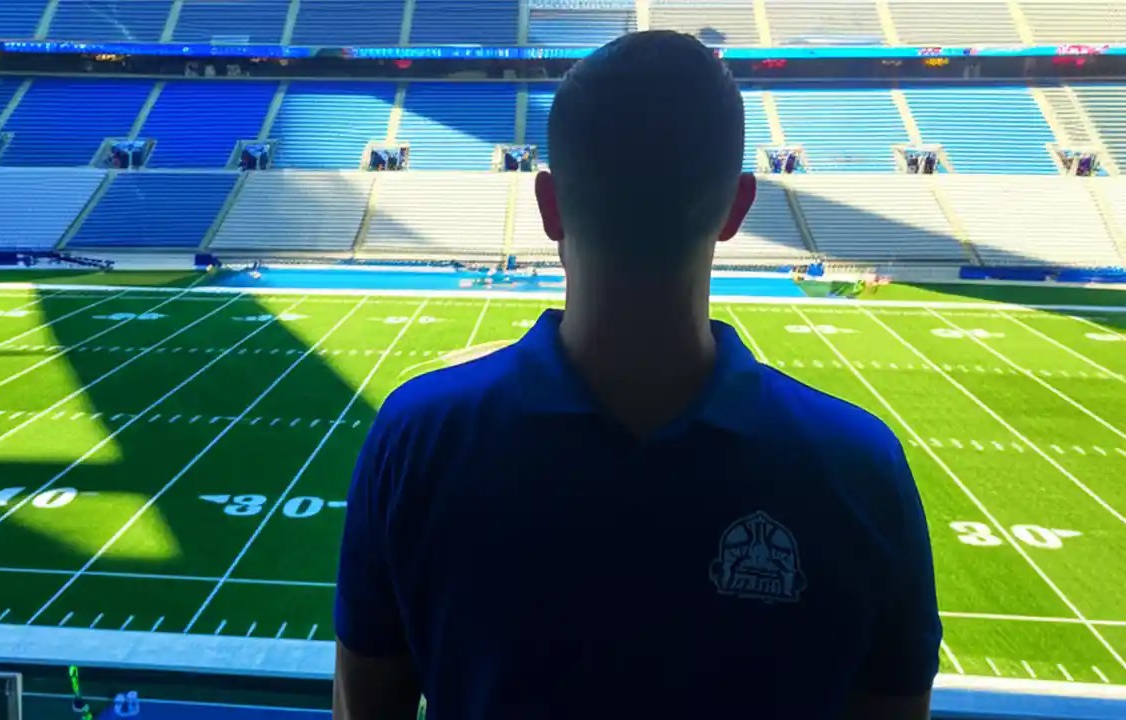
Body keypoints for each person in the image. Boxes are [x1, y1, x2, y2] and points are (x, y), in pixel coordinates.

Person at [335, 31, 940, 720]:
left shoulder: (416, 440)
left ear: (548, 205)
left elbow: (363, 707)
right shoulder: (861, 467)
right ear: (738, 209)